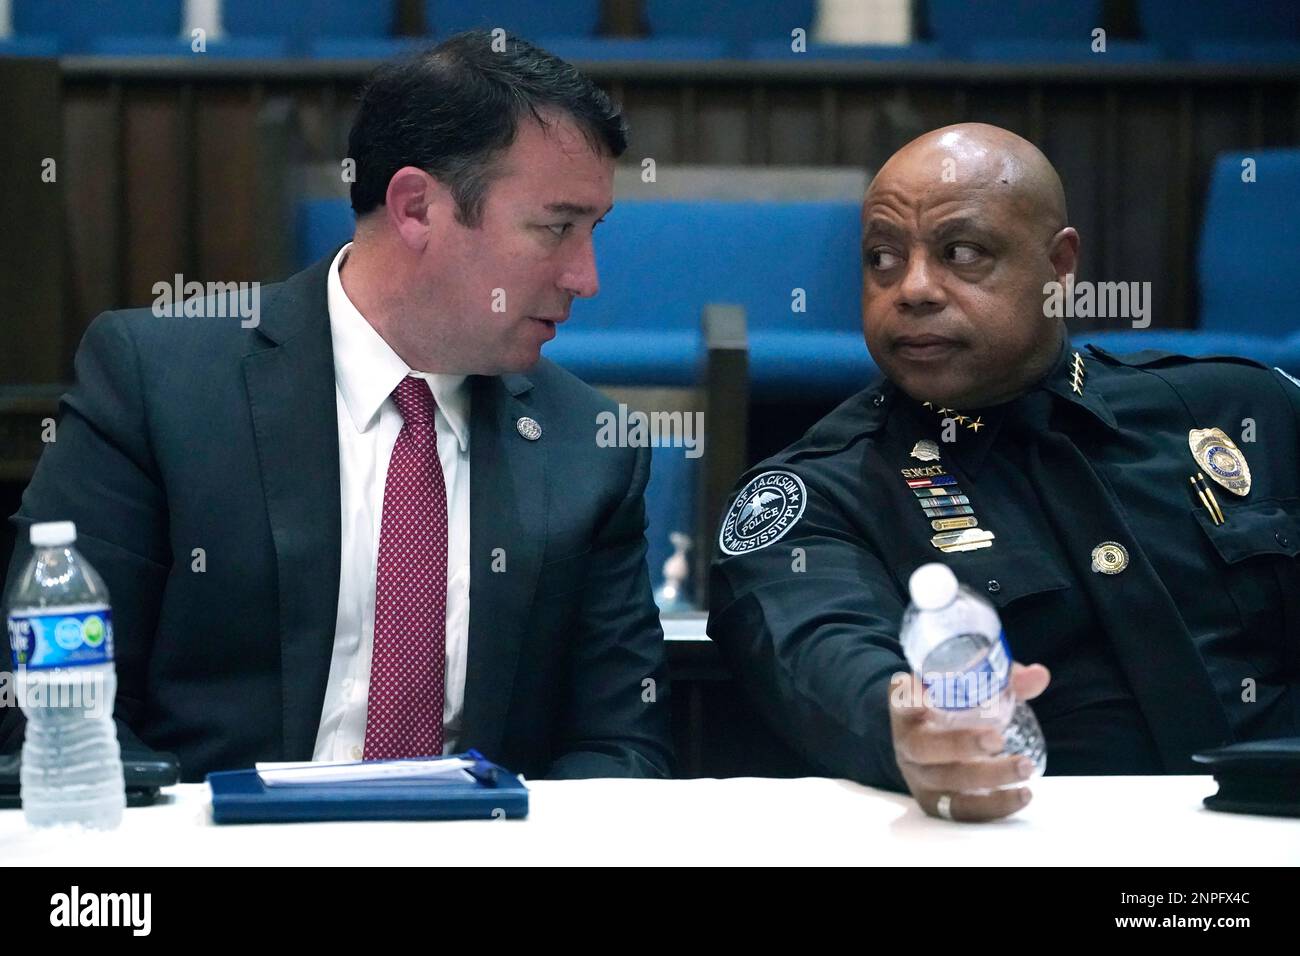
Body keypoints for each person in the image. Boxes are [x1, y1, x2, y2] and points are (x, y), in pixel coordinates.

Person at [2, 32, 673, 782]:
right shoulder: (159, 383)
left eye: (593, 232)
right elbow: (53, 705)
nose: (587, 277)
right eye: (556, 228)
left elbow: (619, 744)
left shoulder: (591, 447)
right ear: (417, 207)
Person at [708, 122, 1300, 822]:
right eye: (882, 259)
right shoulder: (818, 494)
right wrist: (907, 725)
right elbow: (819, 653)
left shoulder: (1243, 409)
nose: (914, 288)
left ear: (1059, 267)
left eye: (963, 253)